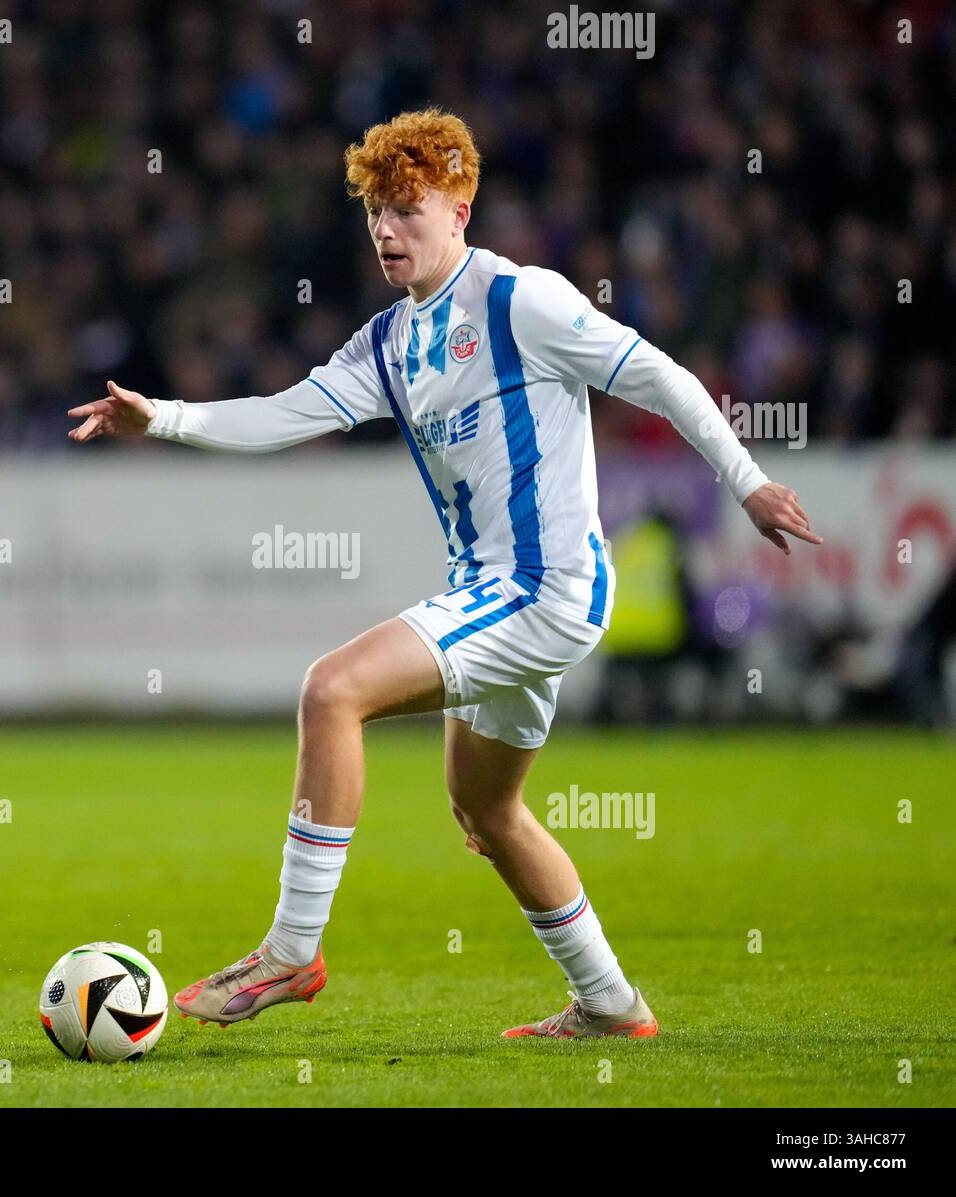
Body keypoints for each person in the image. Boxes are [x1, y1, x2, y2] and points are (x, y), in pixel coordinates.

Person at [68, 108, 822, 1039]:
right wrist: (167, 417)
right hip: (495, 592)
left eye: (407, 209)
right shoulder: (389, 342)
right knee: (487, 809)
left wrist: (745, 481)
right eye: (375, 211)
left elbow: (658, 374)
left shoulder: (522, 301)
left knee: (332, 690)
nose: (387, 229)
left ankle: (292, 951)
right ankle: (612, 1005)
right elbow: (287, 412)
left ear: (461, 208)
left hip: (543, 590)